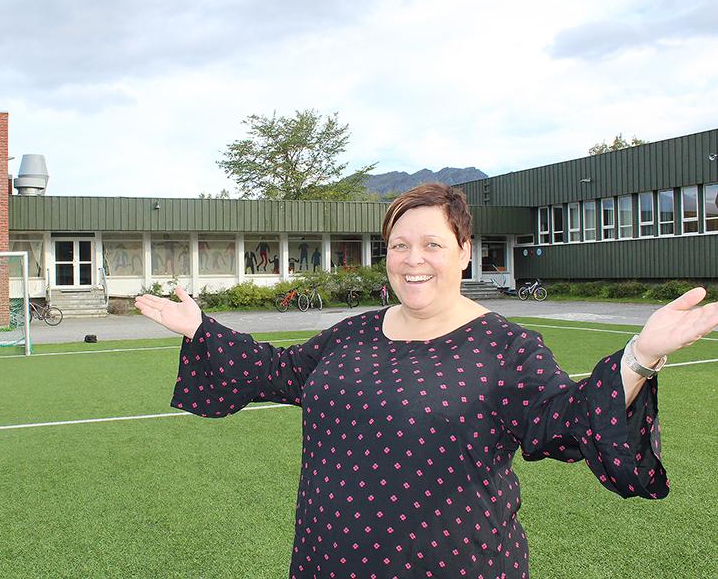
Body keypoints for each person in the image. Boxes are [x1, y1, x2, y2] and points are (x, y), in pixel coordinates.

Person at [134, 183, 718, 578]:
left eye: (433, 244)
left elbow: (564, 421)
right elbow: (277, 371)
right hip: (325, 562)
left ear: (465, 252)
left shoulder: (506, 348)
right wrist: (201, 330)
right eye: (399, 245)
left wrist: (640, 355)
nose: (413, 259)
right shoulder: (351, 334)